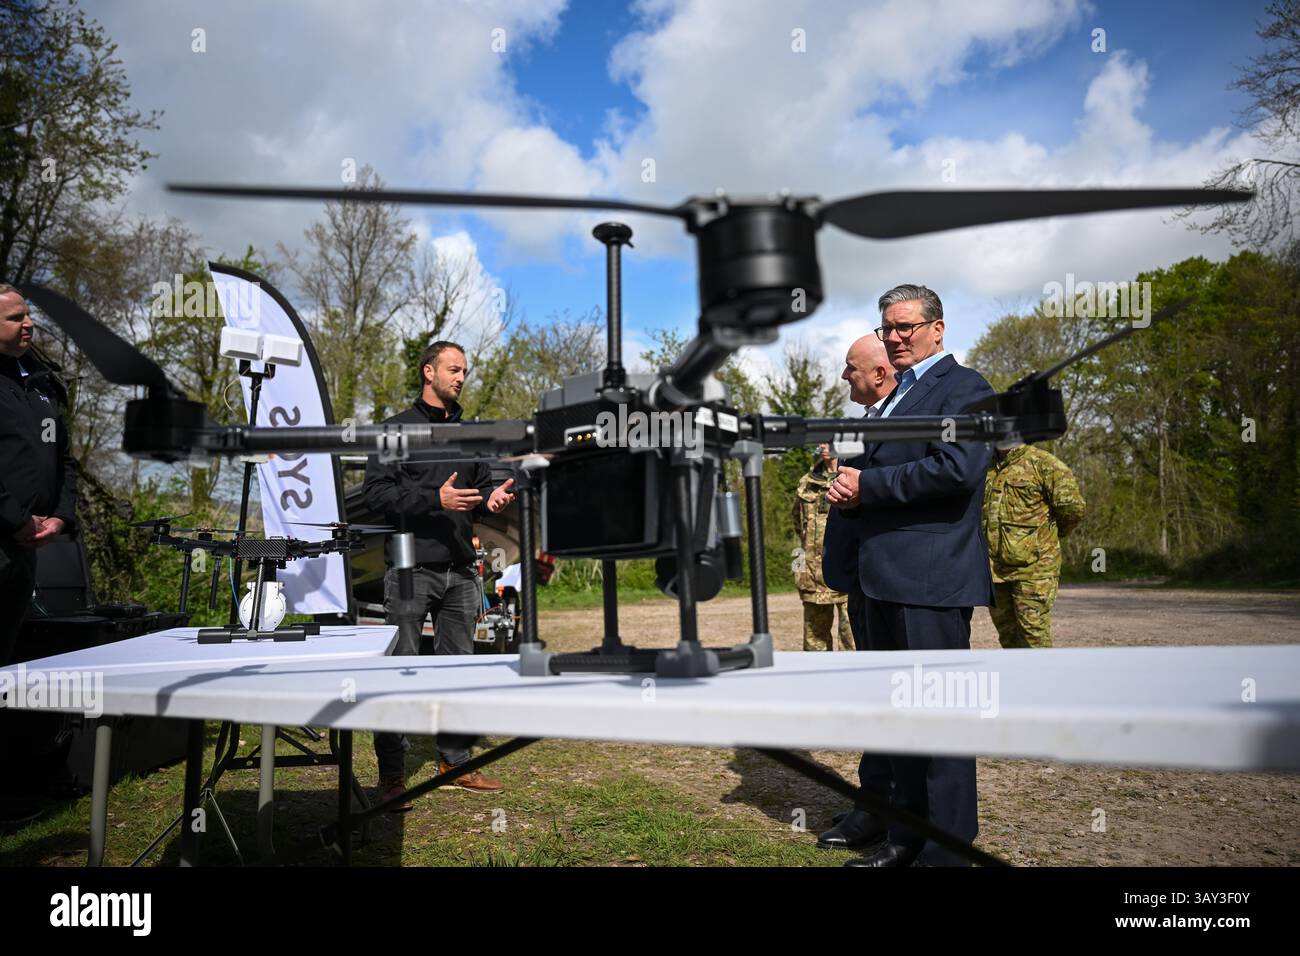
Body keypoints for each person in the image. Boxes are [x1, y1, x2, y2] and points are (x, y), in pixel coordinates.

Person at [824, 284, 994, 867]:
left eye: (905, 327)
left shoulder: (967, 388)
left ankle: (946, 851)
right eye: (887, 328)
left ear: (937, 330)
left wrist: (866, 485)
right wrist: (848, 475)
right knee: (897, 713)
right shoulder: (897, 399)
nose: (894, 337)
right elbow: (885, 466)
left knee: (940, 720)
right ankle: (902, 834)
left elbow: (956, 468)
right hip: (877, 579)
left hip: (929, 581)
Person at [362, 340, 516, 806]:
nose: (461, 377)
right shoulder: (394, 430)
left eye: (465, 371)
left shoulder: (470, 434)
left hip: (462, 571)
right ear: (428, 372)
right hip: (410, 571)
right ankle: (392, 777)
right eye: (453, 369)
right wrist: (436, 500)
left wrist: (492, 499)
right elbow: (377, 497)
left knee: (459, 671)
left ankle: (455, 762)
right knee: (399, 672)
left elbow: (485, 483)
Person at [0, 284, 78, 666]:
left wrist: (61, 516)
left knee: (6, 655)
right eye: (16, 318)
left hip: (26, 547)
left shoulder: (42, 384)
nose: (29, 324)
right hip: (7, 532)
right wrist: (14, 519)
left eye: (28, 315)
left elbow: (63, 458)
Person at [821, 333, 896, 654]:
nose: (843, 376)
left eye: (851, 368)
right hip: (861, 584)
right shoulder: (863, 425)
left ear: (879, 374)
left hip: (894, 585)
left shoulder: (904, 424)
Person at [983, 444, 1085, 648]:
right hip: (995, 571)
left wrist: (1046, 538)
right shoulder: (984, 465)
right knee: (1008, 639)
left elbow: (1073, 510)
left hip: (1034, 571)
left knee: (1033, 638)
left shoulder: (1046, 465)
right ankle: (1018, 680)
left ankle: (1041, 680)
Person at [792, 444, 853, 651]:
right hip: (812, 574)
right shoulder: (806, 482)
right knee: (814, 644)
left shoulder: (851, 477)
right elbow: (798, 527)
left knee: (852, 642)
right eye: (821, 442)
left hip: (846, 570)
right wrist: (798, 568)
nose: (823, 446)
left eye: (828, 441)